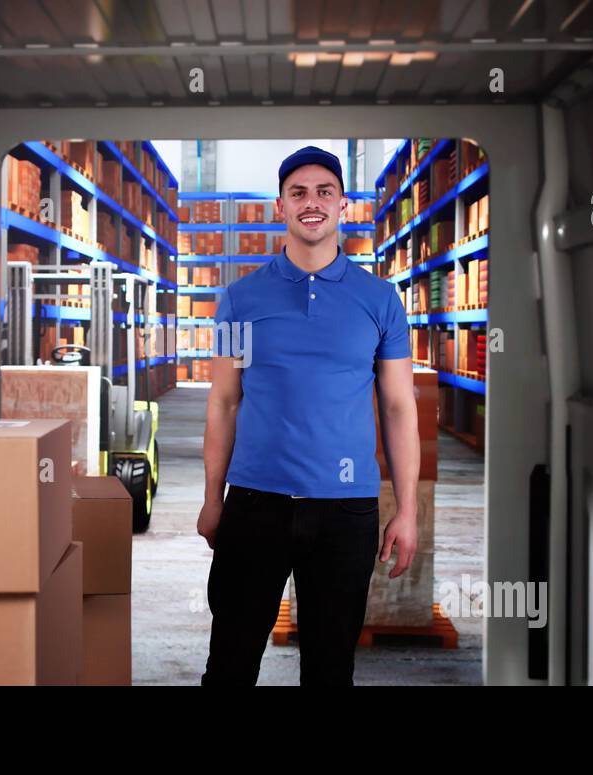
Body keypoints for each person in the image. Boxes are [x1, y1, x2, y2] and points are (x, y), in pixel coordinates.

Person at [197, 145, 421, 686]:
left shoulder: (381, 299)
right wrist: (211, 499)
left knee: (329, 669)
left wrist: (407, 509)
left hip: (345, 511)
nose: (312, 202)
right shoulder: (239, 299)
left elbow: (398, 405)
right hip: (254, 506)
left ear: (344, 205)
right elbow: (224, 401)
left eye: (325, 192)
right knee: (229, 664)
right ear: (280, 207)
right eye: (298, 193)